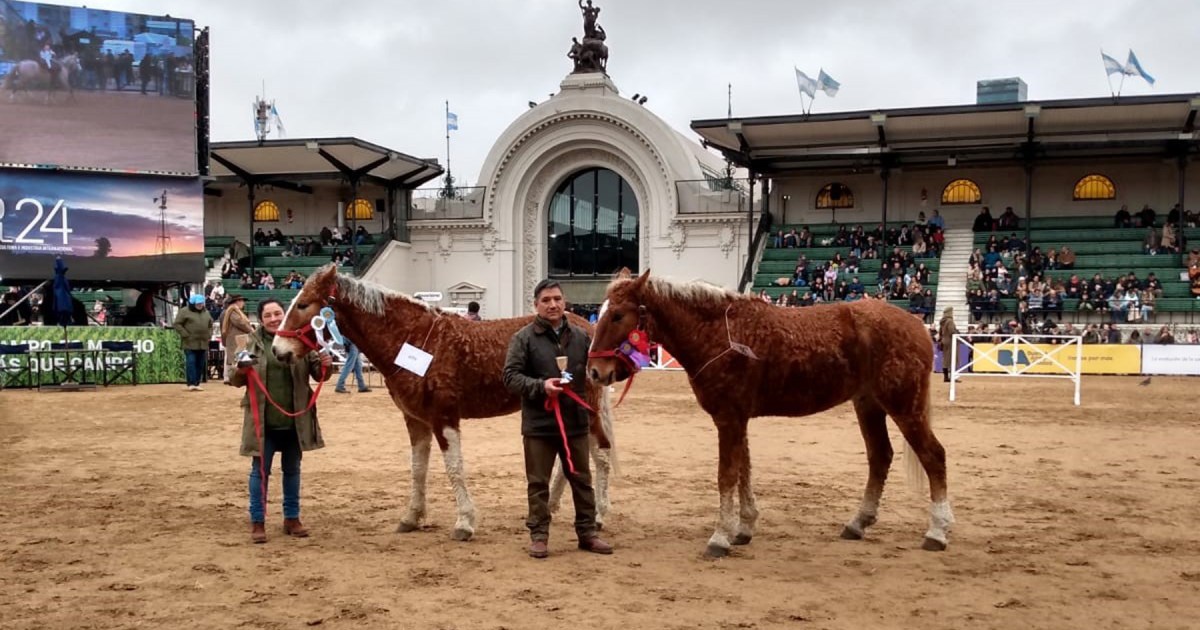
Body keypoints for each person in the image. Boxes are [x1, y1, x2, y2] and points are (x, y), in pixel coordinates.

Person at [503, 279, 612, 558]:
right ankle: (539, 535)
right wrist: (541, 387)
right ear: (536, 305)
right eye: (546, 300)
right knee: (538, 482)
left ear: (564, 302)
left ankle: (587, 533)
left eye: (557, 299)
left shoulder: (581, 337)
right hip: (539, 423)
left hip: (574, 420)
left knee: (581, 479)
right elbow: (510, 377)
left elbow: (595, 367)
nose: (552, 304)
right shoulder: (523, 339)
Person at [229, 299, 333, 544]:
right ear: (260, 319)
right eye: (268, 315)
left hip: (295, 421)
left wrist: (326, 366)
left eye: (278, 313)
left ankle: (292, 518)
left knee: (292, 471)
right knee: (259, 473)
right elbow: (235, 379)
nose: (274, 318)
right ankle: (258, 522)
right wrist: (242, 369)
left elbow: (319, 374)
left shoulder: (301, 340)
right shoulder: (250, 342)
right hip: (262, 422)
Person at [174, 293, 213, 391]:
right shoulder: (184, 311)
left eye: (202, 303)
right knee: (191, 362)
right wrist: (185, 334)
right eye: (198, 304)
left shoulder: (206, 312)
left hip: (203, 343)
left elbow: (210, 324)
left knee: (200, 363)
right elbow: (177, 324)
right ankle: (191, 383)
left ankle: (197, 383)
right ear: (192, 304)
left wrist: (209, 334)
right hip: (189, 342)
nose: (200, 305)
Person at [220, 295, 253, 384]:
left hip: (236, 337)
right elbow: (240, 323)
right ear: (237, 301)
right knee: (235, 358)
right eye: (242, 301)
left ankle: (231, 377)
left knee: (236, 357)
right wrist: (251, 330)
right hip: (235, 338)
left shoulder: (232, 310)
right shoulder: (233, 311)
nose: (243, 303)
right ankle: (232, 377)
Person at [938, 307, 959, 383]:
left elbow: (940, 332)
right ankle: (952, 377)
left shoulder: (943, 322)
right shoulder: (950, 321)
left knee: (945, 359)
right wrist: (958, 334)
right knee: (952, 359)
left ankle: (946, 377)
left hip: (944, 341)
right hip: (950, 341)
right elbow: (951, 331)